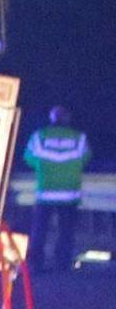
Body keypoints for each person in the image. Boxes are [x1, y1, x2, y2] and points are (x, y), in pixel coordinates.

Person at [25, 105, 93, 273]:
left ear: (52, 118)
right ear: (68, 118)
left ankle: (36, 263)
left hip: (45, 193)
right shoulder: (79, 138)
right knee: (66, 233)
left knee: (39, 231)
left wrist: (45, 167)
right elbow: (86, 158)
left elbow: (28, 158)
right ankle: (62, 264)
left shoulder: (39, 136)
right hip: (69, 194)